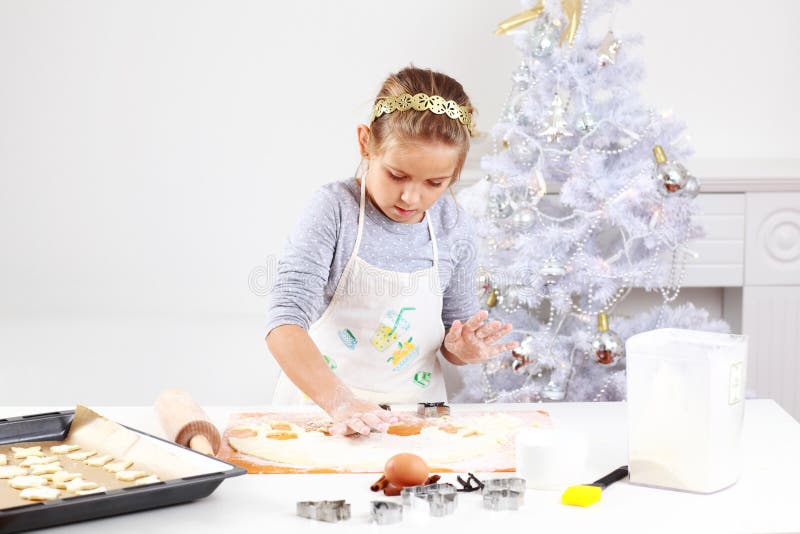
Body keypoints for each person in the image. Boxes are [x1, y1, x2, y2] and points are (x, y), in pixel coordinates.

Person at [265, 66, 518, 436]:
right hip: (323, 416)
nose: (411, 197)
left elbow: (453, 339)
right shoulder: (335, 210)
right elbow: (284, 323)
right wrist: (341, 402)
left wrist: (463, 348)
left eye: (435, 183)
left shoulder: (454, 226)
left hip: (416, 421)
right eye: (397, 175)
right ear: (366, 143)